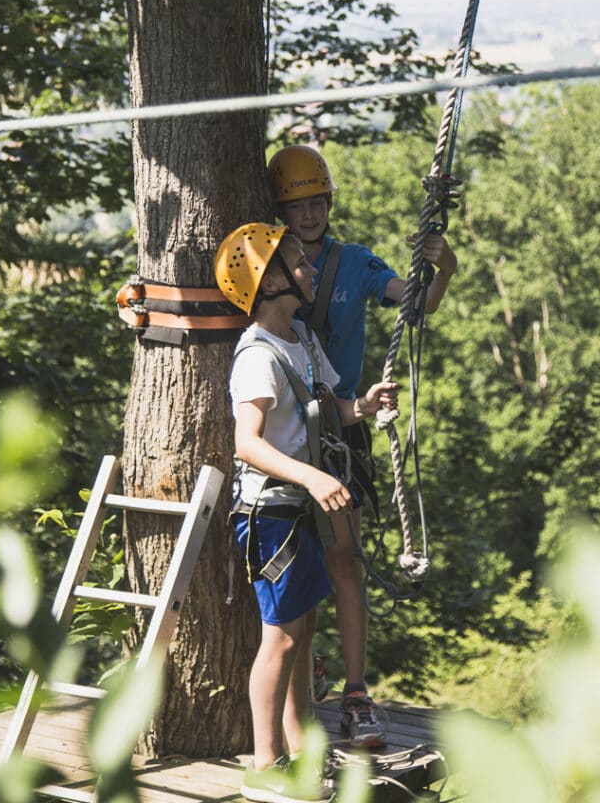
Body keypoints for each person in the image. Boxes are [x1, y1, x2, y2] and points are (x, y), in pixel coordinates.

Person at [266, 145, 458, 748]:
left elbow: (416, 306)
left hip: (340, 428)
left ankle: (355, 691)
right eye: (298, 205)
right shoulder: (271, 267)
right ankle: (305, 675)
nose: (310, 214)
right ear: (281, 210)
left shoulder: (355, 264)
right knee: (296, 565)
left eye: (319, 201)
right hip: (285, 430)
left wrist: (443, 269)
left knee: (344, 560)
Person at [216, 222, 399, 803]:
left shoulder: (299, 336)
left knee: (303, 629)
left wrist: (363, 406)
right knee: (281, 639)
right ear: (268, 281)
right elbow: (247, 443)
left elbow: (329, 409)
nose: (312, 268)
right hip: (273, 514)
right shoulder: (257, 355)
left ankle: (298, 751)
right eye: (298, 261)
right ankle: (264, 761)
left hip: (302, 508)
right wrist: (312, 475)